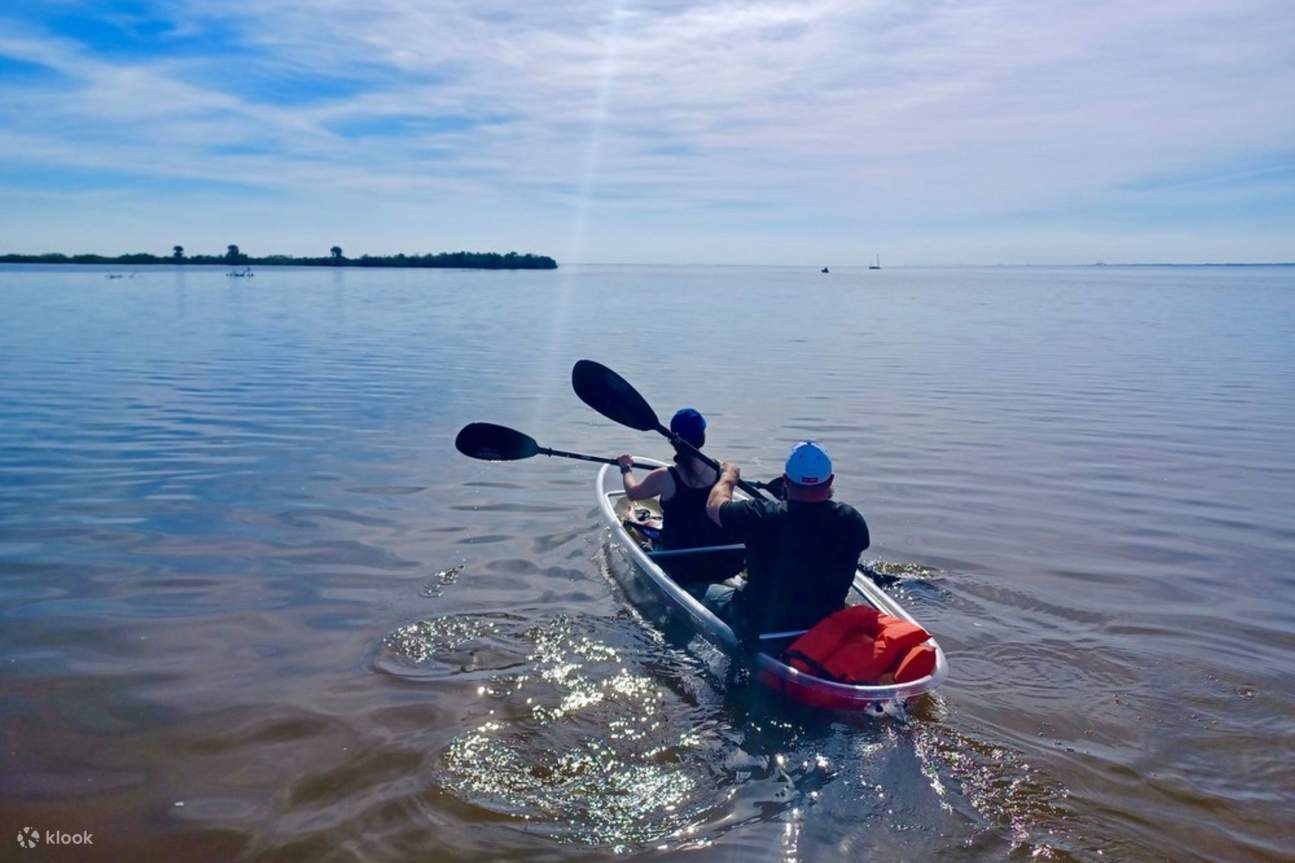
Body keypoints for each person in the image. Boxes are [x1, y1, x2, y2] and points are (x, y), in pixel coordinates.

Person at [703, 440, 869, 640]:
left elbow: (714, 506)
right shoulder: (851, 520)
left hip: (759, 625)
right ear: (830, 480)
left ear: (785, 480)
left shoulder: (761, 516)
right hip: (822, 626)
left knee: (702, 589)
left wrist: (728, 477)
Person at [616, 408, 742, 585]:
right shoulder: (723, 471)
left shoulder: (665, 477)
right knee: (655, 523)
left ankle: (639, 526)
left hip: (680, 562)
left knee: (649, 526)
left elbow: (632, 493)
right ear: (702, 437)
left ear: (674, 441)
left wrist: (626, 468)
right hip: (721, 559)